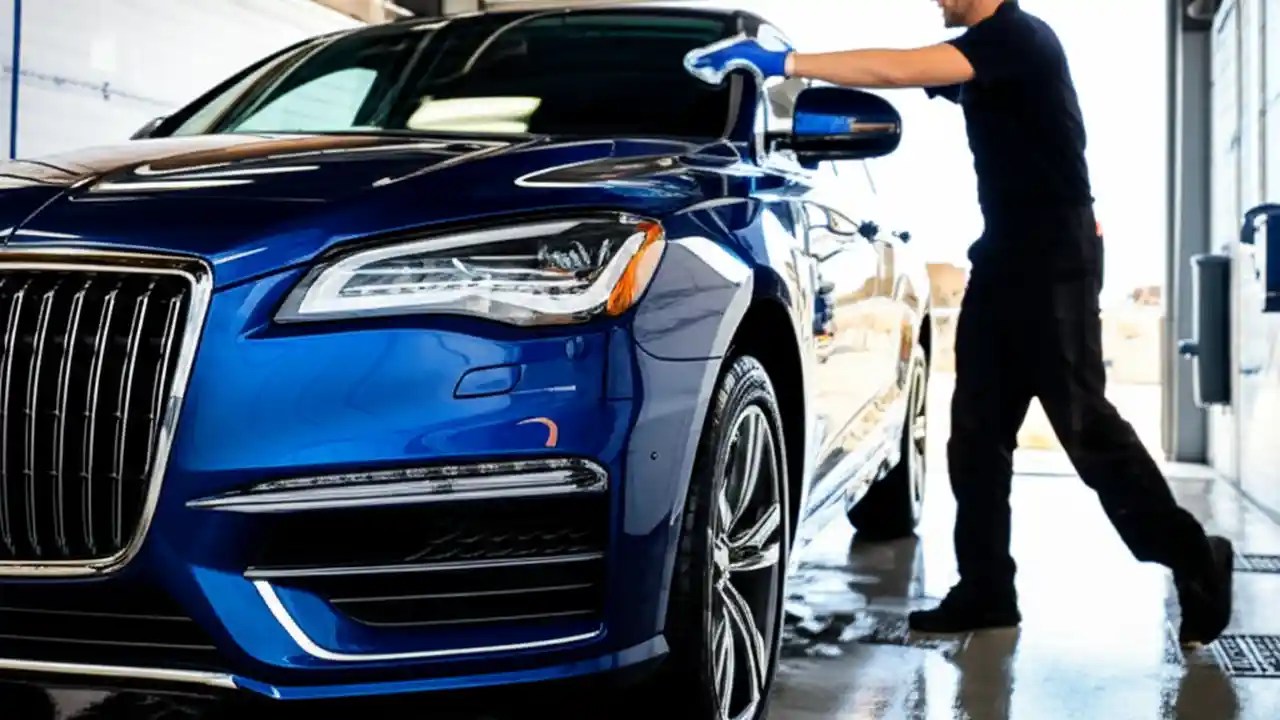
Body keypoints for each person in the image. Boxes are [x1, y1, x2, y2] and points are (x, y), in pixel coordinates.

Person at [685, 0, 1234, 643]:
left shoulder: (1018, 39)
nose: (936, 2)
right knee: (975, 434)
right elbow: (900, 74)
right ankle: (985, 589)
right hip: (1004, 256)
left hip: (1054, 259)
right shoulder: (990, 50)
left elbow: (895, 68)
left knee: (1084, 426)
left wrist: (785, 63)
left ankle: (1195, 555)